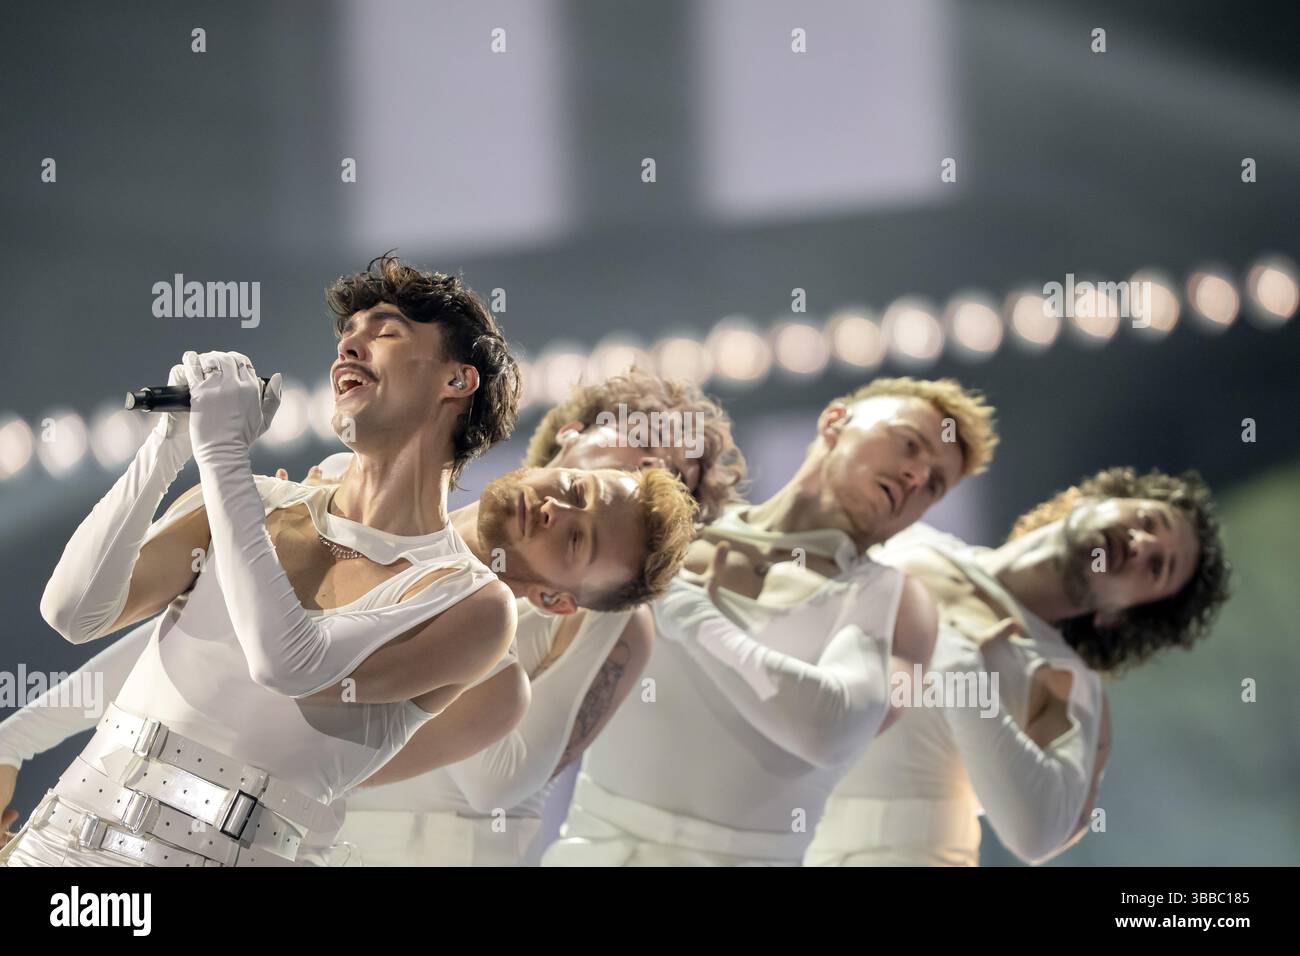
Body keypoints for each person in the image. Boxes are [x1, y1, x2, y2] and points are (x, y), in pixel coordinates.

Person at [543, 377, 999, 866]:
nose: (915, 477)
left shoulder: (901, 605)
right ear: (835, 421)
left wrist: (682, 607)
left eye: (933, 484)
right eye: (911, 444)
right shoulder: (678, 525)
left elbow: (831, 730)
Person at [803, 467, 1231, 866]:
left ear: (1121, 616)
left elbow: (1036, 833)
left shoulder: (1068, 682)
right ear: (1098, 498)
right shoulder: (911, 542)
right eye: (1148, 520)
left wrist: (960, 670)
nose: (1141, 543)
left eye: (1157, 567)